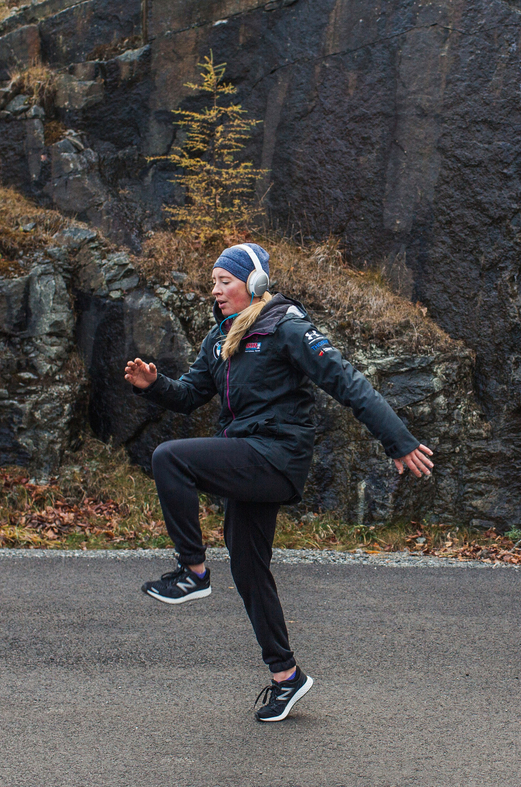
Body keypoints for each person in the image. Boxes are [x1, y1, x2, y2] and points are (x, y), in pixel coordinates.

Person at [124, 242, 435, 722]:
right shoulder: (220, 339)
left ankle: (193, 572)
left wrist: (397, 441)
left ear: (255, 285)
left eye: (225, 281)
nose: (216, 290)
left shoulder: (287, 327)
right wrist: (156, 385)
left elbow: (348, 383)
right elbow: (188, 397)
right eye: (213, 282)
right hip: (248, 460)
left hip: (276, 457)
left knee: (170, 458)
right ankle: (287, 678)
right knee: (249, 569)